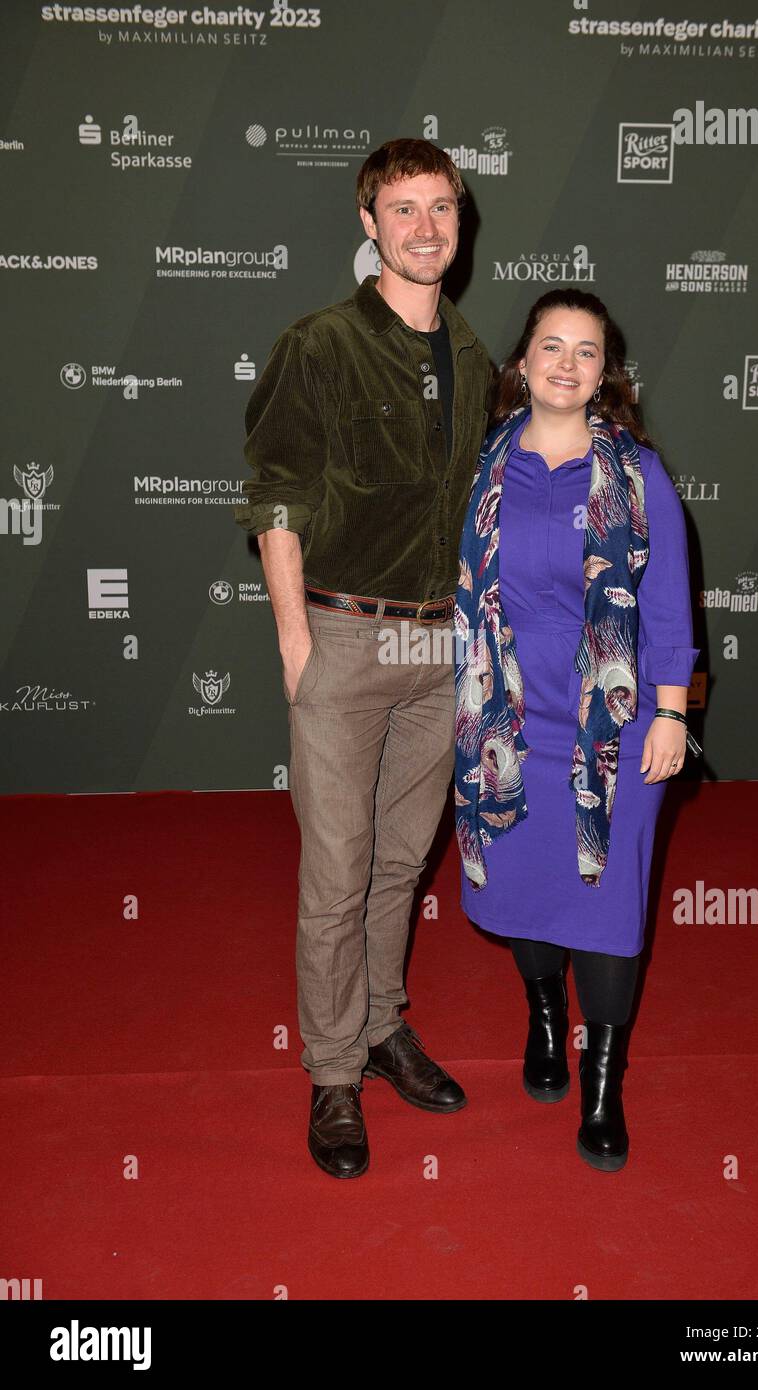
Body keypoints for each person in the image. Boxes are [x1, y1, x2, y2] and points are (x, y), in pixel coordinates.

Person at [233, 138, 495, 1179]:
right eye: (403, 209)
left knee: (400, 861)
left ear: (460, 224)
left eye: (442, 208)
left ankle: (384, 1025)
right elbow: (278, 495)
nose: (425, 227)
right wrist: (296, 642)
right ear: (368, 224)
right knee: (336, 870)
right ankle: (333, 1070)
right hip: (342, 634)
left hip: (439, 644)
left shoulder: (474, 357)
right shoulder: (320, 344)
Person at [453, 289, 700, 1172]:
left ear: (606, 372)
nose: (565, 363)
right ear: (520, 363)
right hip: (502, 720)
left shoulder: (638, 474)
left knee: (605, 905)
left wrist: (671, 712)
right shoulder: (480, 463)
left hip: (614, 723)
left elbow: (668, 604)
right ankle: (543, 1017)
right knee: (523, 877)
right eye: (548, 346)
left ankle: (603, 1082)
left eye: (585, 350)